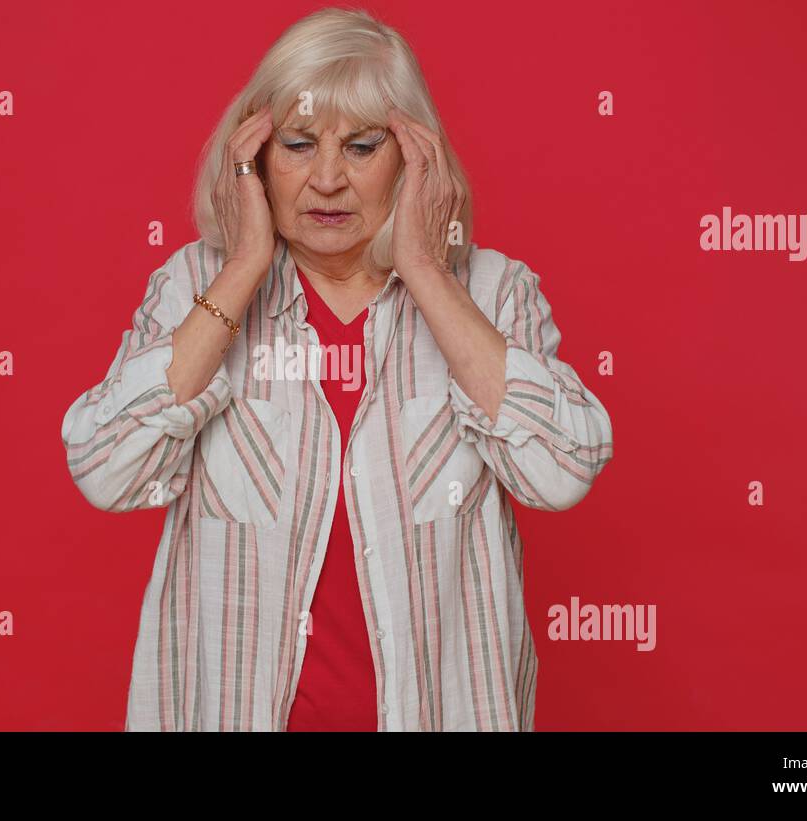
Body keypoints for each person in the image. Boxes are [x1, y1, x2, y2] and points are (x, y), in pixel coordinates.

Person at [60, 7, 614, 731]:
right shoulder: (193, 287)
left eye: (360, 146)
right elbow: (105, 468)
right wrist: (245, 265)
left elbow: (562, 469)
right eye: (296, 144)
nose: (326, 179)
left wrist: (423, 267)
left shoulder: (493, 292)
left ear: (415, 156)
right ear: (254, 154)